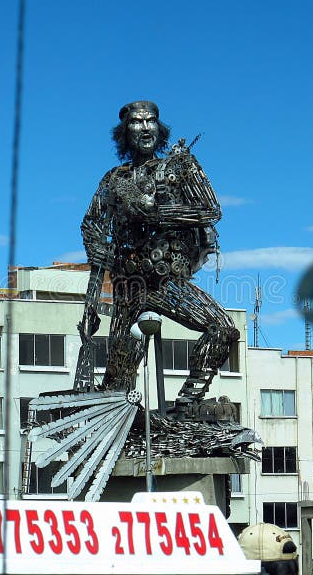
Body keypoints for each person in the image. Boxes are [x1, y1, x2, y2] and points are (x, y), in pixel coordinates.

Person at [74, 100, 239, 416]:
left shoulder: (178, 167)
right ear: (125, 131)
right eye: (137, 122)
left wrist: (162, 214)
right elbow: (93, 224)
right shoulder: (113, 180)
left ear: (159, 128)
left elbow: (210, 210)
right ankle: (123, 426)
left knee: (223, 328)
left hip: (165, 280)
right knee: (116, 386)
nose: (145, 127)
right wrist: (91, 300)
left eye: (150, 121)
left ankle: (187, 404)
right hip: (128, 284)